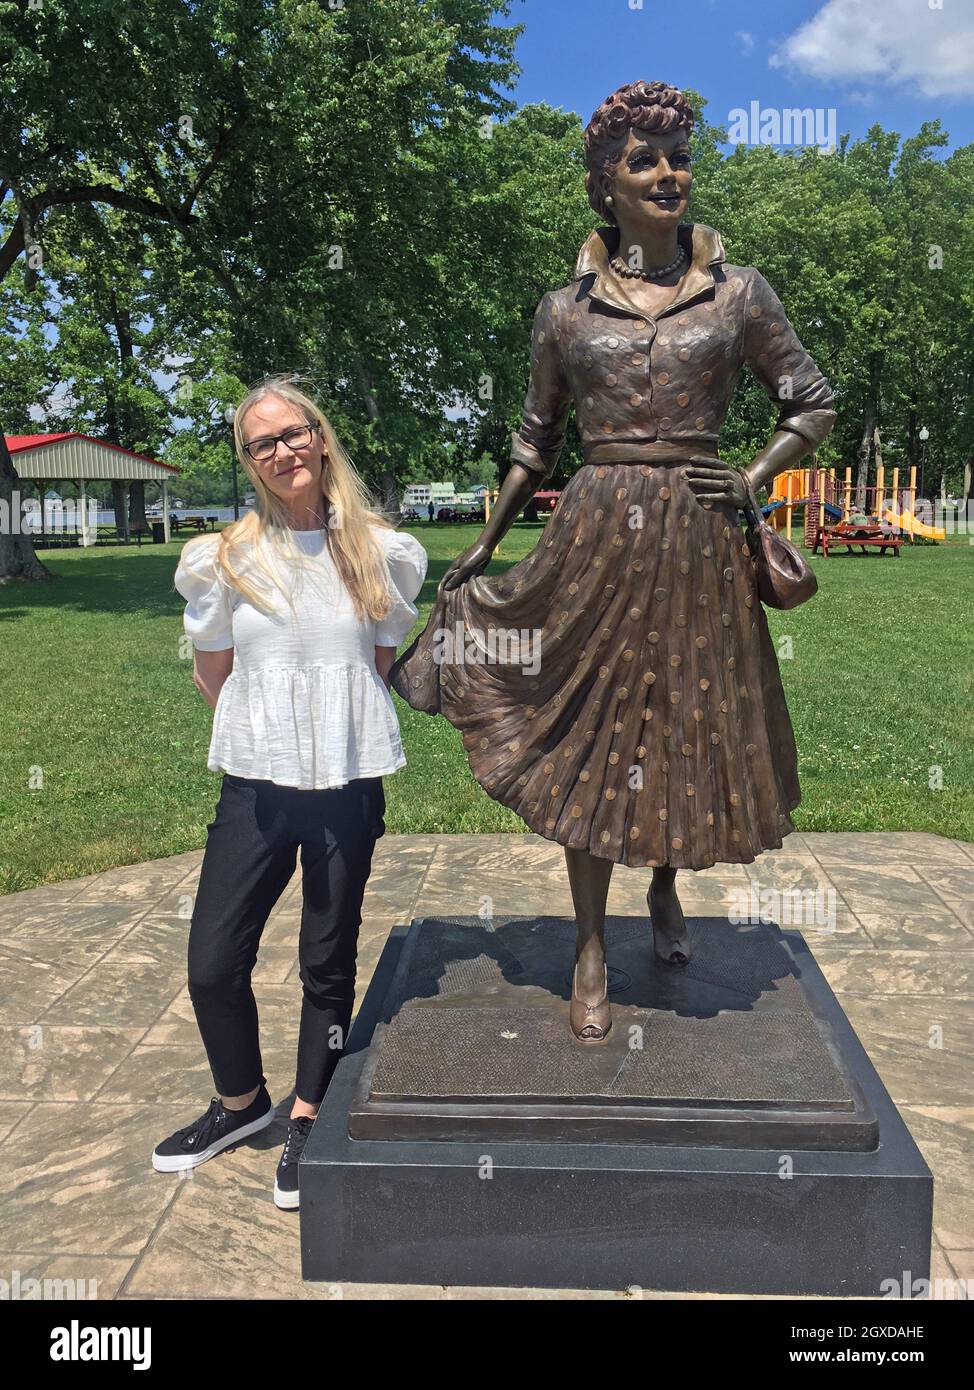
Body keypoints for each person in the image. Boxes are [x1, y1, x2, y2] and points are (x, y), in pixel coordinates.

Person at [391, 80, 836, 1043]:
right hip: (596, 534)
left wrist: (752, 475)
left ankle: (666, 886)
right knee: (591, 731)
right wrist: (482, 542)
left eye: (678, 157)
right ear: (605, 187)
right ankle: (590, 942)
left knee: (683, 721)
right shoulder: (563, 311)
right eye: (644, 160)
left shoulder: (740, 293)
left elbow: (811, 402)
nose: (668, 174)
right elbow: (532, 442)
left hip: (700, 539)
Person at [152, 376, 427, 1207]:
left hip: (348, 785)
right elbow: (214, 675)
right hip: (257, 788)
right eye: (260, 443)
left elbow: (375, 668)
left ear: (320, 437)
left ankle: (307, 1112)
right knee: (211, 963)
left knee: (326, 958)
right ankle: (241, 1103)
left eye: (292, 433)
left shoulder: (378, 550)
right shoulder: (224, 557)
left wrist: (329, 735)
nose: (281, 451)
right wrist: (271, 737)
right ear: (249, 461)